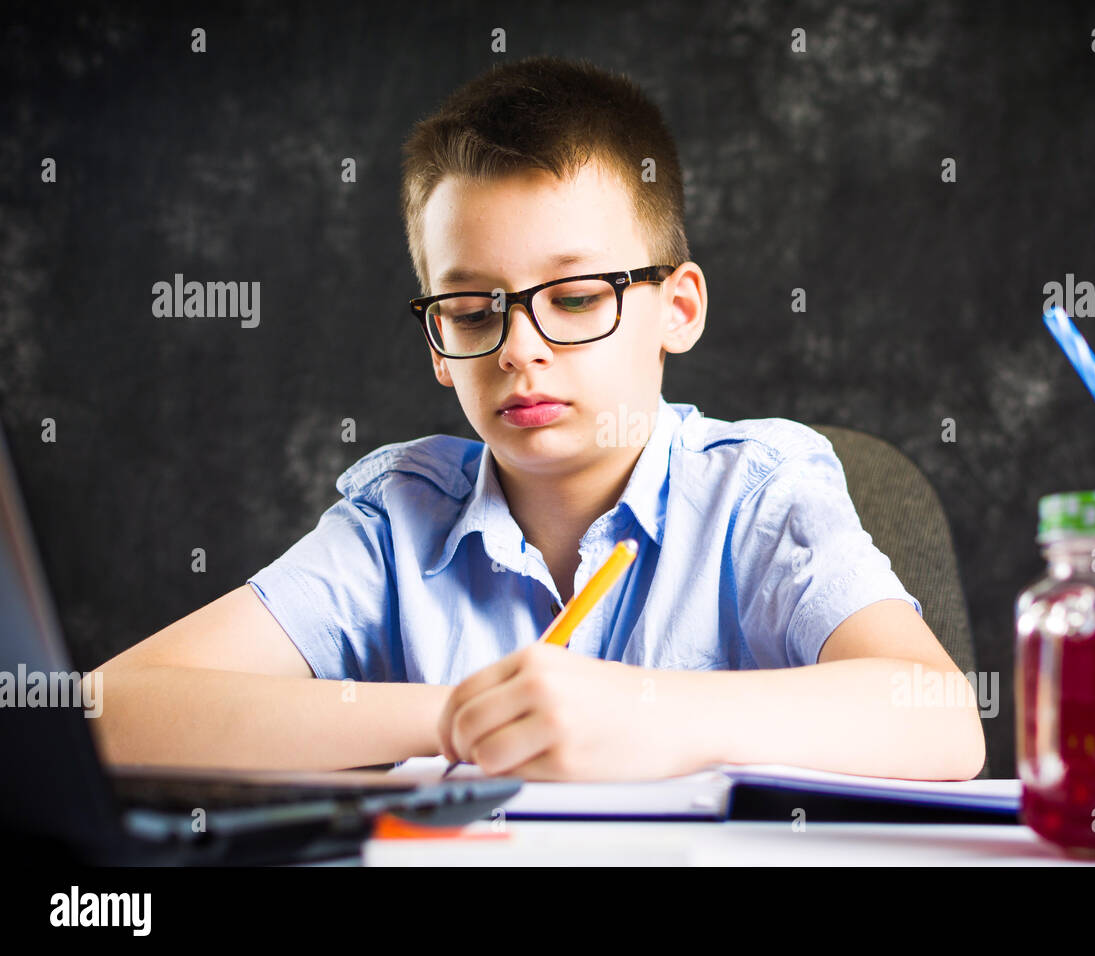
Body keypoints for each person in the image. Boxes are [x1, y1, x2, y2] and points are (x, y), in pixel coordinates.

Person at [89, 56, 985, 782]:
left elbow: (942, 719)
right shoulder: (397, 521)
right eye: (475, 312)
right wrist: (460, 717)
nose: (519, 348)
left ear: (678, 308)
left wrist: (638, 712)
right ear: (438, 345)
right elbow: (112, 710)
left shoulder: (756, 494)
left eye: (577, 296)